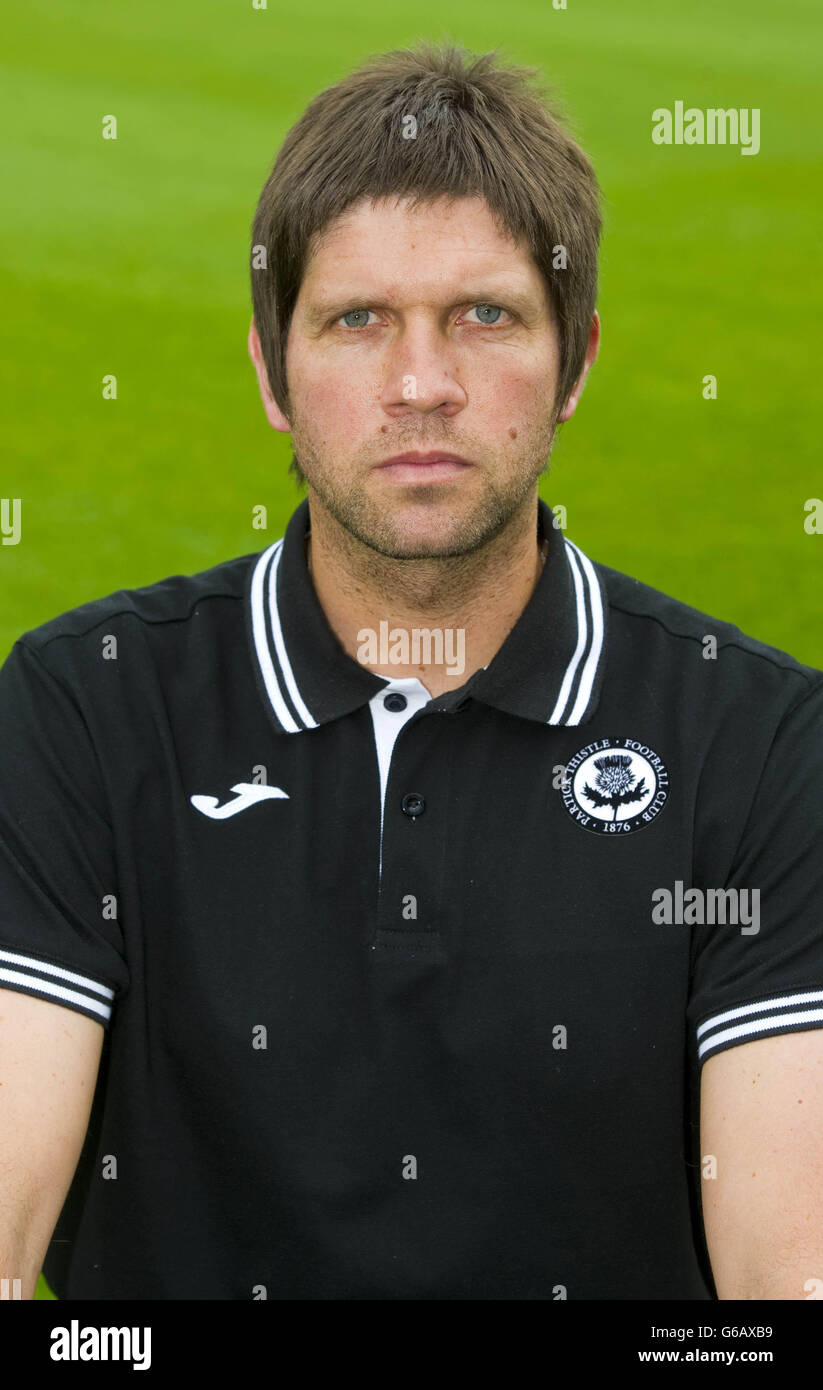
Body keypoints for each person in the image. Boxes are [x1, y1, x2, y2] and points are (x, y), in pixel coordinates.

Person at [1, 42, 822, 1302]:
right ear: (273, 371)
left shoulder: (762, 744)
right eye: (356, 319)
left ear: (577, 363)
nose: (421, 386)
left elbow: (789, 1275)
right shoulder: (81, 710)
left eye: (485, 316)